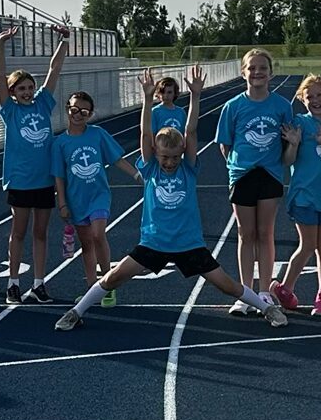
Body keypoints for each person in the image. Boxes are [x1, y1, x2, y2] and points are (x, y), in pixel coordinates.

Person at [55, 68, 285, 331]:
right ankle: (76, 312)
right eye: (165, 157)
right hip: (155, 242)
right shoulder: (151, 168)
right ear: (155, 153)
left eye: (175, 157)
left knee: (226, 284)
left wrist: (195, 97)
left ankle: (268, 308)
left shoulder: (188, 169)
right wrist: (147, 98)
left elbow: (191, 131)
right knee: (114, 277)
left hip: (188, 243)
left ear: (182, 154)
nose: (170, 162)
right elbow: (145, 134)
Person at [0, 25, 70, 303]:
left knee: (41, 233)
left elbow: (55, 69)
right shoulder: (10, 110)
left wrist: (64, 40)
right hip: (20, 180)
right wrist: (0, 44)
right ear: (12, 91)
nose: (27, 92)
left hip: (44, 180)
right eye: (21, 88)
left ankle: (39, 283)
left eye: (30, 87)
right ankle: (13, 283)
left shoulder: (42, 104)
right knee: (18, 232)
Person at [216, 48, 293, 315]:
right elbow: (225, 145)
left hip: (270, 174)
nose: (257, 72)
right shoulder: (233, 106)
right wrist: (238, 165)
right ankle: (246, 293)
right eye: (252, 68)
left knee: (265, 233)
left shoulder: (282, 106)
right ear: (243, 72)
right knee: (245, 234)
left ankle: (264, 292)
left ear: (271, 73)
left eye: (262, 68)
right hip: (242, 175)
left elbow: (288, 144)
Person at [52, 90, 140, 307]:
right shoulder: (60, 143)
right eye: (74, 109)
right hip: (76, 200)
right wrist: (62, 203)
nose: (78, 115)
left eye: (84, 112)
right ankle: (92, 288)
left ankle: (108, 285)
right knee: (86, 243)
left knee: (98, 235)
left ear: (90, 114)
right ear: (67, 109)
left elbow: (117, 159)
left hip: (98, 196)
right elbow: (59, 176)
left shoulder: (98, 134)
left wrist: (137, 175)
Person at [276, 74, 321, 316]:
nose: (316, 100)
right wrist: (294, 144)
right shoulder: (299, 123)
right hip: (304, 194)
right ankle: (287, 287)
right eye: (310, 97)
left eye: (320, 95)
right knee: (308, 244)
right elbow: (287, 161)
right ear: (302, 99)